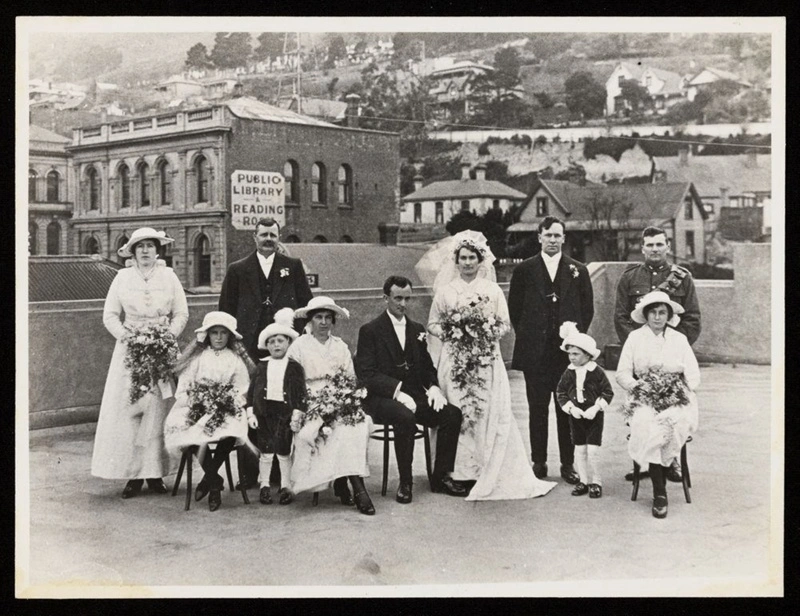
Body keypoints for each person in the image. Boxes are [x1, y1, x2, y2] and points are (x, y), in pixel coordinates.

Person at [422, 231, 557, 501]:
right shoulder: (446, 292)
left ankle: (485, 466)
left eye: (473, 257)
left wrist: (483, 333)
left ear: (481, 260)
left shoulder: (491, 290)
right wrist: (453, 331)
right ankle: (457, 472)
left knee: (486, 410)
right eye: (463, 258)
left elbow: (504, 324)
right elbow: (433, 324)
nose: (468, 263)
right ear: (456, 261)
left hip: (485, 360)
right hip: (455, 360)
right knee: (458, 411)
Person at [91, 227, 188, 498]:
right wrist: (130, 338)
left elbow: (181, 313)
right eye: (140, 246)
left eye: (150, 245)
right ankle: (133, 475)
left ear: (158, 250)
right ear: (132, 252)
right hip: (130, 353)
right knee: (130, 409)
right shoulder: (122, 278)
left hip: (161, 351)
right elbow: (110, 316)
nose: (145, 250)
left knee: (159, 409)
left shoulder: (168, 276)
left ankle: (155, 473)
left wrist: (165, 338)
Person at [219, 216, 313, 490]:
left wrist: (293, 335)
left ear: (279, 236)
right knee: (251, 405)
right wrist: (233, 345)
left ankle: (277, 472)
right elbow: (226, 309)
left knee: (281, 404)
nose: (268, 239)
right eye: (263, 235)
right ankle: (249, 474)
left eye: (273, 234)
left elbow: (306, 307)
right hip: (249, 348)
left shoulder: (292, 267)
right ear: (255, 237)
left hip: (283, 349)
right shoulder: (238, 269)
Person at [356, 275, 467, 504]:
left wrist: (434, 387)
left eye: (407, 298)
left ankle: (441, 477)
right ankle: (406, 481)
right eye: (398, 298)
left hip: (415, 395)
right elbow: (367, 374)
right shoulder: (370, 330)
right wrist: (397, 391)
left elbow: (426, 366)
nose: (403, 304)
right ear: (385, 297)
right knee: (404, 417)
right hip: (381, 398)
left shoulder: (416, 328)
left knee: (452, 414)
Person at [507, 216, 594, 484]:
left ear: (564, 238)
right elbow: (515, 309)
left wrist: (574, 340)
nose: (553, 240)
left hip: (566, 354)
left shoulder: (577, 270)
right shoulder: (525, 270)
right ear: (539, 237)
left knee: (566, 408)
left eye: (558, 236)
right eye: (548, 236)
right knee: (537, 408)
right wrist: (532, 337)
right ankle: (539, 461)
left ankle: (567, 464)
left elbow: (587, 309)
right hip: (536, 353)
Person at [614, 225, 701, 483]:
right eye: (649, 245)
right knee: (644, 415)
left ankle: (670, 460)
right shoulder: (629, 278)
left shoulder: (682, 278)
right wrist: (641, 345)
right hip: (642, 369)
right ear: (642, 248)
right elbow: (621, 317)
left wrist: (671, 345)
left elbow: (693, 319)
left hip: (671, 367)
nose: (654, 249)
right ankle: (646, 459)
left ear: (668, 246)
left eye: (659, 244)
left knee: (673, 413)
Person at [616, 291, 700, 519]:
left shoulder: (679, 339)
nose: (657, 317)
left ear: (669, 315)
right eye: (652, 312)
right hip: (643, 394)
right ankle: (659, 492)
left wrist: (680, 391)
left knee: (674, 422)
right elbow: (622, 374)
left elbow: (693, 375)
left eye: (662, 312)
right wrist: (640, 387)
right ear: (645, 314)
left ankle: (661, 476)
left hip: (676, 394)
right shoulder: (634, 338)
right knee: (647, 424)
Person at [288, 296, 375, 515]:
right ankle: (357, 488)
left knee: (356, 425)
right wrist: (311, 402)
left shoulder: (340, 346)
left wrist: (343, 399)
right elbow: (292, 382)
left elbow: (350, 379)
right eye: (319, 317)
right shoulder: (299, 346)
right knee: (324, 428)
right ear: (310, 320)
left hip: (339, 397)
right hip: (309, 401)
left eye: (328, 317)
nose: (324, 322)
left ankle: (346, 481)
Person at [163, 311, 256, 511]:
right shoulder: (197, 358)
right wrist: (198, 401)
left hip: (226, 407)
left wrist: (226, 401)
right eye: (215, 332)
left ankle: (209, 480)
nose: (219, 337)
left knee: (230, 432)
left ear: (230, 336)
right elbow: (185, 386)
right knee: (189, 432)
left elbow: (242, 389)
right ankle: (214, 480)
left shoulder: (235, 359)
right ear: (207, 335)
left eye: (223, 333)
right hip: (198, 404)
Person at [246, 308, 307, 506]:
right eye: (271, 342)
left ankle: (285, 485)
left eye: (280, 340)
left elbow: (300, 394)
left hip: (285, 414)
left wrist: (297, 414)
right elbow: (251, 393)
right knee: (266, 451)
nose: (276, 345)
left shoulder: (294, 367)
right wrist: (251, 414)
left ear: (288, 343)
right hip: (264, 413)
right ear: (267, 346)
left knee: (283, 450)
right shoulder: (261, 366)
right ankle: (264, 485)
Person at [555, 327, 614, 499]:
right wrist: (571, 409)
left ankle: (596, 482)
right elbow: (561, 392)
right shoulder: (569, 372)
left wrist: (596, 408)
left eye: (576, 354)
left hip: (593, 417)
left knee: (593, 451)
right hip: (577, 417)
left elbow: (608, 392)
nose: (572, 357)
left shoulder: (596, 372)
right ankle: (583, 480)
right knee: (579, 449)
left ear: (588, 355)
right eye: (570, 354)